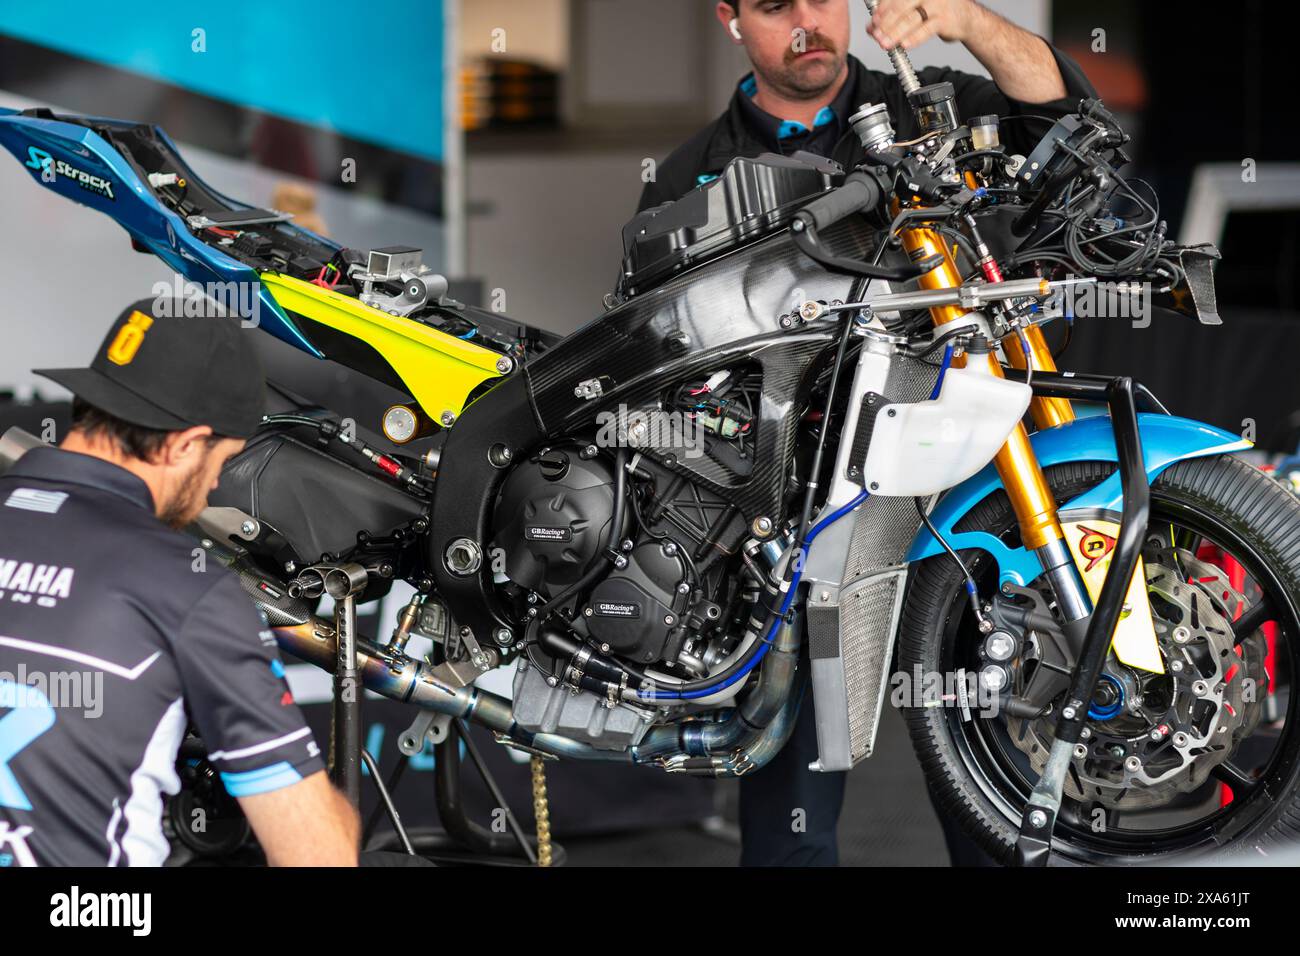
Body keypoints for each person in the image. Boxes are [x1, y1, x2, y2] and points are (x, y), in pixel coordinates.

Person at [637, 0, 1096, 866]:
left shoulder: (934, 105)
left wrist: (965, 19)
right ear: (730, 17)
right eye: (777, 7)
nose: (808, 21)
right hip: (800, 518)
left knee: (990, 794)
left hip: (957, 496)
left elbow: (1059, 113)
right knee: (790, 824)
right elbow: (660, 354)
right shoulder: (688, 178)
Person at [0, 298, 358, 866]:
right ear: (186, 444)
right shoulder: (188, 588)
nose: (215, 484)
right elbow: (318, 854)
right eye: (224, 459)